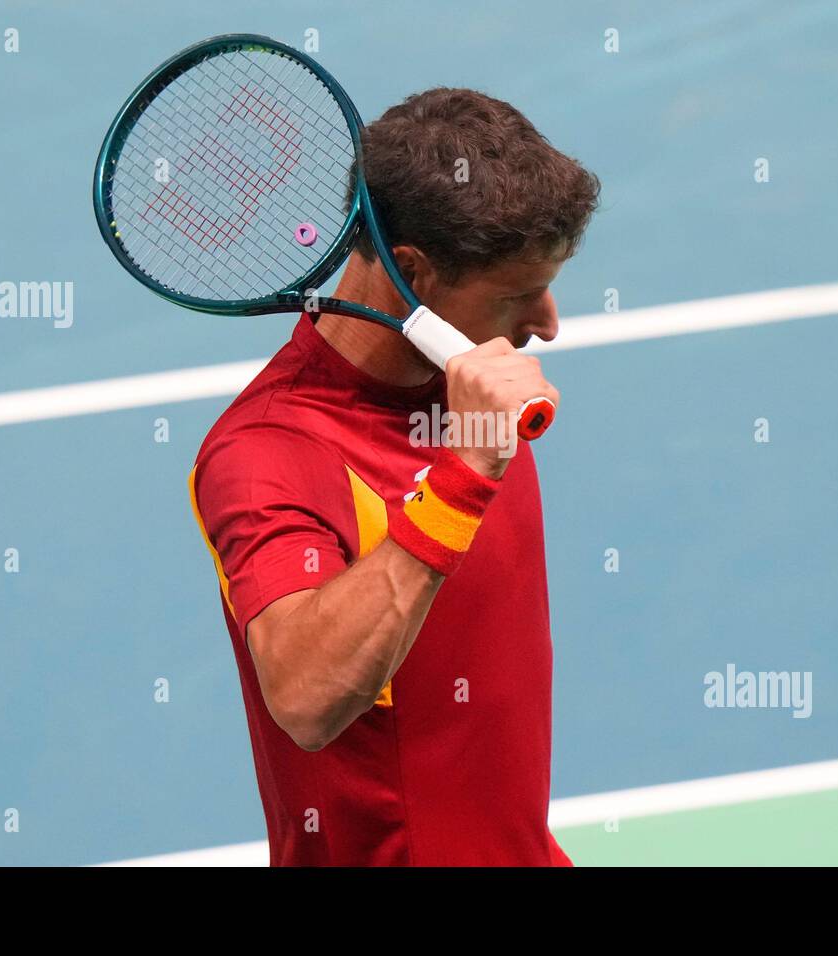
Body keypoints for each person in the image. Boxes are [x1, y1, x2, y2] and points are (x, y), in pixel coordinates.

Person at [189, 87, 599, 865]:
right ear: (411, 271)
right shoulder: (266, 453)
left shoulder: (470, 382)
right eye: (517, 295)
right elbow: (306, 700)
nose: (547, 323)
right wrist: (464, 476)